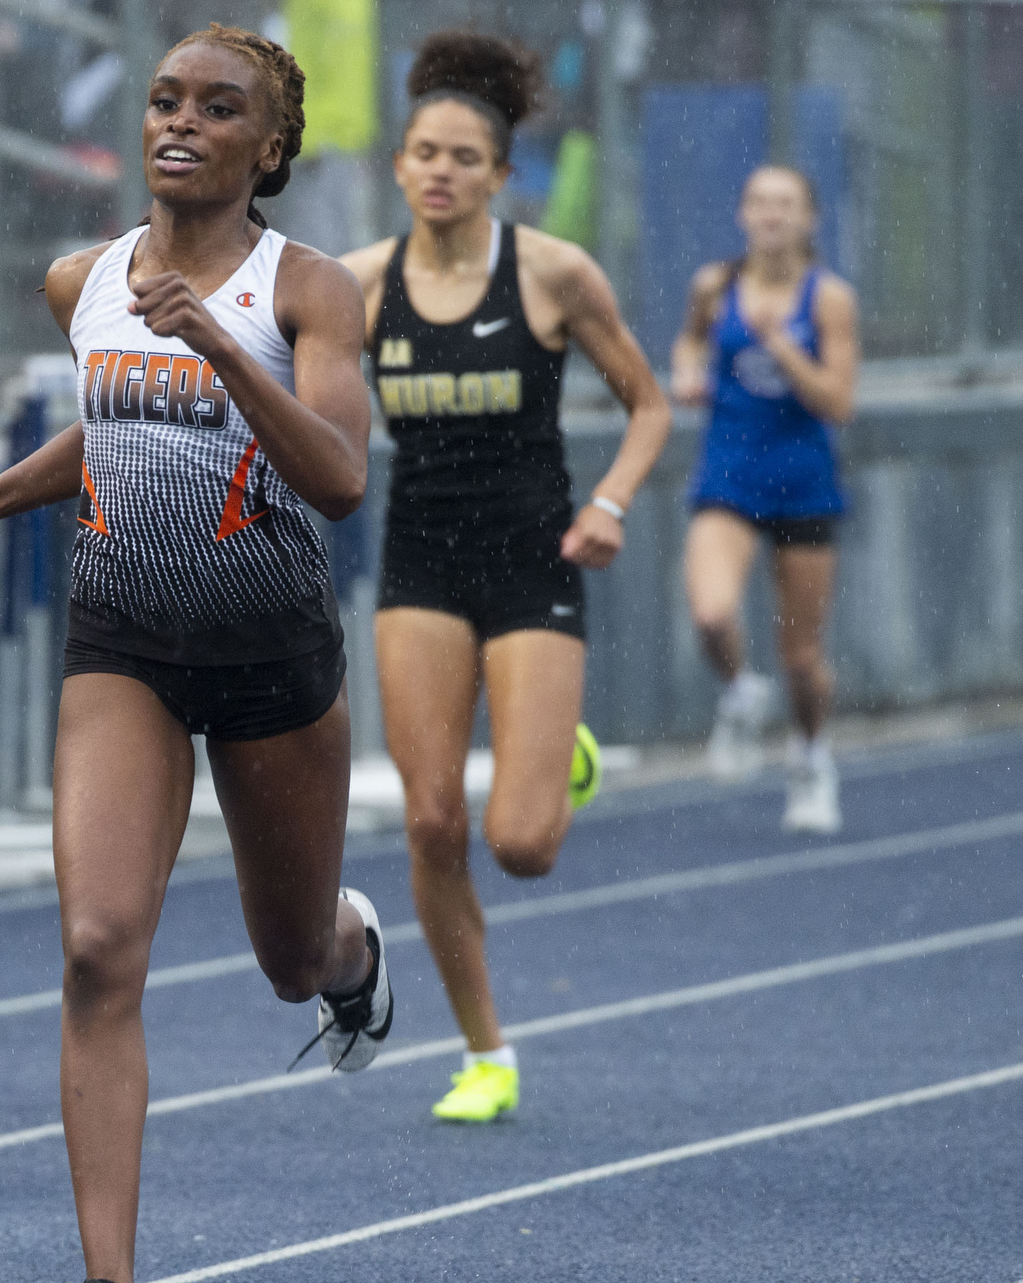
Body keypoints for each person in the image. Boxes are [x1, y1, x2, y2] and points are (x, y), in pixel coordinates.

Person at [0, 23, 383, 1283]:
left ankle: (353, 955)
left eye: (217, 107)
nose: (179, 122)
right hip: (122, 639)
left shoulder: (311, 291)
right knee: (98, 945)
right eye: (165, 100)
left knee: (287, 955)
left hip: (272, 651)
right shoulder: (86, 277)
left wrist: (228, 356)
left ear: (267, 146)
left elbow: (341, 476)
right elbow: (116, 425)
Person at [339, 32, 669, 1125]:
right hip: (420, 562)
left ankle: (555, 750)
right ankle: (485, 1052)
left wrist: (610, 503)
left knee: (519, 846)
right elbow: (268, 367)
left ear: (496, 176)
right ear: (397, 166)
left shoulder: (551, 273)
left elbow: (648, 403)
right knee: (430, 823)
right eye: (422, 152)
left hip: (534, 559)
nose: (439, 171)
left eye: (462, 158)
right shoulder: (357, 287)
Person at [671, 165, 857, 831]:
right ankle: (739, 695)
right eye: (759, 202)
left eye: (786, 204)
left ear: (809, 218)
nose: (771, 215)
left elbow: (838, 401)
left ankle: (810, 757)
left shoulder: (828, 299)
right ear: (743, 214)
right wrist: (689, 373)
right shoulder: (715, 286)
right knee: (712, 613)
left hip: (805, 482)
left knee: (802, 658)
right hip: (730, 475)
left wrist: (780, 342)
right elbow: (690, 341)